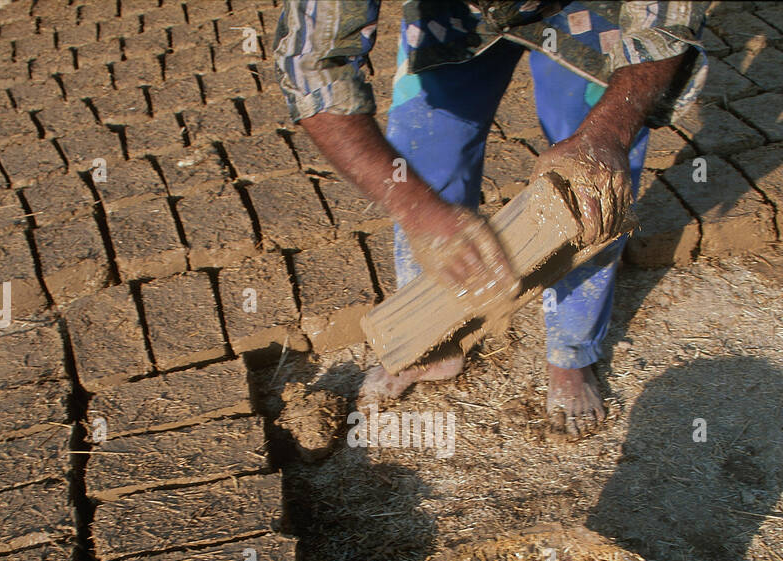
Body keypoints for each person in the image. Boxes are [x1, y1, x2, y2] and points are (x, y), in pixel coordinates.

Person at [274, 1, 707, 435]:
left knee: (592, 188)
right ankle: (434, 341)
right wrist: (419, 210)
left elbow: (667, 21)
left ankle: (571, 354)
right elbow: (311, 65)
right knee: (424, 155)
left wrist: (611, 131)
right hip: (453, 11)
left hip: (590, 9)